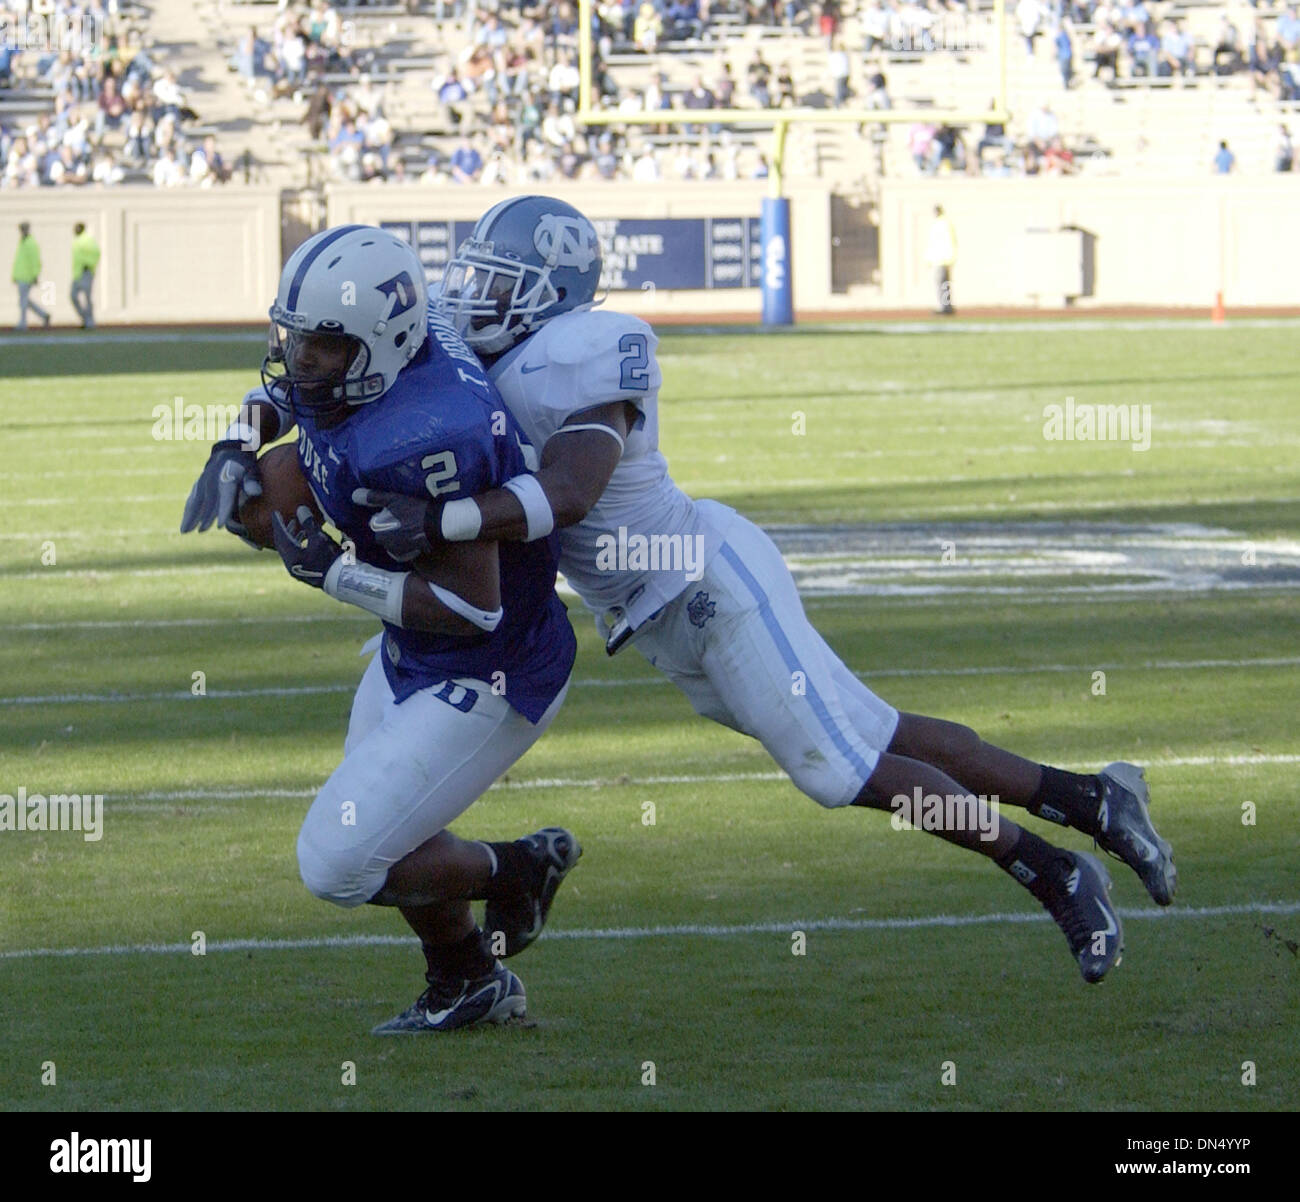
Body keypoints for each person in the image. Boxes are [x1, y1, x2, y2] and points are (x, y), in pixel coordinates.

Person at [361, 196, 1178, 986]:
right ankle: (1094, 800)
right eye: (473, 276)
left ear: (555, 294)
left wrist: (441, 521)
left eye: (500, 282)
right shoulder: (469, 358)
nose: (476, 297)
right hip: (651, 614)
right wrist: (239, 445)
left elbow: (570, 492)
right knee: (878, 732)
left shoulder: (582, 350)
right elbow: (309, 377)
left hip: (704, 578)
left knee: (835, 767)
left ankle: (1052, 872)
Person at [179, 226, 581, 1032]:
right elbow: (288, 393)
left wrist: (331, 571)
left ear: (381, 340)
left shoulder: (430, 435)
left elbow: (473, 609)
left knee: (339, 860)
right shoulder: (391, 348)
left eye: (325, 347)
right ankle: (467, 977)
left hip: (489, 666)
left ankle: (517, 871)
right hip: (416, 652)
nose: (303, 360)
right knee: (387, 826)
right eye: (295, 339)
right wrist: (233, 444)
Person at [12, 223, 50, 331]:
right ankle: (43, 315)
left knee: (23, 301)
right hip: (21, 276)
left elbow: (35, 261)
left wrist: (35, 275)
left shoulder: (31, 243)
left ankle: (22, 323)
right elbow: (19, 261)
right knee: (24, 301)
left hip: (27, 277)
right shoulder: (23, 242)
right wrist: (15, 275)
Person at [926, 204, 956, 314]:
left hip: (942, 260)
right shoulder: (939, 224)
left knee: (942, 284)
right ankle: (945, 306)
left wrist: (949, 259)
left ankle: (945, 307)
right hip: (939, 260)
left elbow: (948, 242)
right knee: (943, 284)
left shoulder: (943, 224)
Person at [69, 222, 99, 329]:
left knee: (87, 297)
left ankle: (90, 322)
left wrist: (89, 264)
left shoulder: (87, 240)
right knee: (73, 296)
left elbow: (96, 253)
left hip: (86, 272)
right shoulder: (76, 241)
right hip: (77, 273)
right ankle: (85, 318)